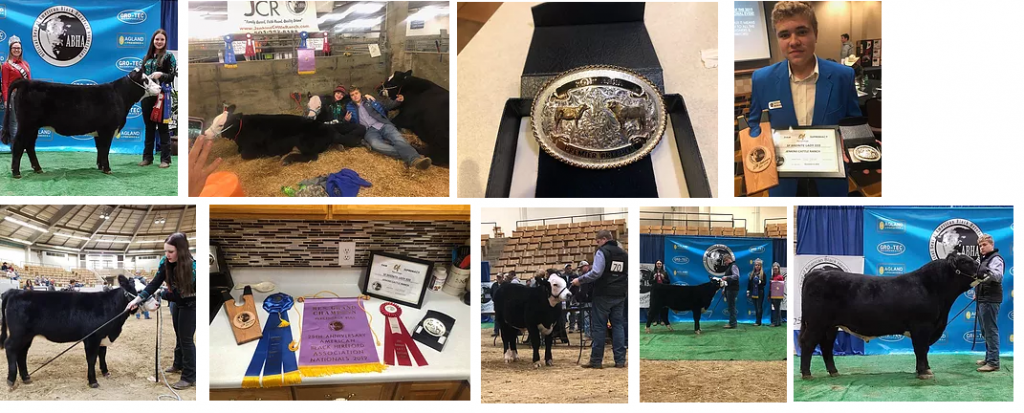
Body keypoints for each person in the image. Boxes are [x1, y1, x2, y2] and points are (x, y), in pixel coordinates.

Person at [747, 1, 862, 197]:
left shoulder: (843, 76)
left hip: (830, 181)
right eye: (784, 35)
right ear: (778, 39)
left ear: (815, 34)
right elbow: (754, 125)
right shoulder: (762, 79)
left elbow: (853, 123)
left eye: (801, 32)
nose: (793, 41)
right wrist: (761, 144)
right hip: (783, 181)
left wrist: (861, 144)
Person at [126, 233, 196, 389]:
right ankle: (178, 364)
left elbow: (181, 294)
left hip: (191, 304)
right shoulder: (165, 262)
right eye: (165, 251)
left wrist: (162, 294)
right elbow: (154, 283)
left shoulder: (192, 268)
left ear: (181, 251)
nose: (167, 254)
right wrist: (137, 300)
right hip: (177, 303)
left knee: (186, 339)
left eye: (171, 251)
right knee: (179, 335)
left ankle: (190, 376)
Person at [572, 230, 627, 369]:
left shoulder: (602, 252)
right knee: (618, 326)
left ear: (604, 239)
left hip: (603, 293)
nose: (597, 244)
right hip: (620, 294)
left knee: (599, 327)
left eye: (598, 241)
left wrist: (580, 280)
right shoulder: (624, 254)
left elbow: (596, 272)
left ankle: (596, 360)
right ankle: (620, 360)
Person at [344, 87, 432, 169]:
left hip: (382, 124)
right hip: (369, 131)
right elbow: (350, 124)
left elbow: (386, 106)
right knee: (376, 145)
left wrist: (397, 101)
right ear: (350, 97)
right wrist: (346, 120)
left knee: (398, 139)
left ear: (360, 94)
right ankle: (412, 155)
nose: (355, 96)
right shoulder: (349, 107)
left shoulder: (369, 100)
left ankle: (415, 160)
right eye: (352, 95)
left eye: (356, 93)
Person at [138, 29, 177, 168]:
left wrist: (161, 75)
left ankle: (165, 159)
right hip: (147, 96)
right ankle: (147, 157)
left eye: (162, 39)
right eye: (157, 39)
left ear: (165, 41)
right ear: (153, 40)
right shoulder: (146, 57)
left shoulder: (169, 56)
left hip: (162, 96)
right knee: (149, 128)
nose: (159, 42)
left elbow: (172, 76)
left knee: (163, 128)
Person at [975, 234, 1004, 373]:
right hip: (982, 298)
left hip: (990, 299)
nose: (982, 247)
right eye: (980, 245)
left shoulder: (996, 258)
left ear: (992, 244)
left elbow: (997, 276)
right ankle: (989, 358)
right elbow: (981, 279)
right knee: (985, 330)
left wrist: (986, 271)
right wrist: (976, 291)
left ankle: (993, 362)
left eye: (984, 244)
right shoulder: (985, 259)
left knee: (990, 330)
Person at [2, 36, 31, 140]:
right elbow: (5, 83)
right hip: (13, 95)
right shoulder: (6, 65)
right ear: (10, 49)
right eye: (14, 48)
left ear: (21, 50)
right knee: (14, 121)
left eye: (18, 48)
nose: (16, 50)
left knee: (25, 120)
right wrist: (6, 99)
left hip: (25, 95)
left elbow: (29, 81)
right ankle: (15, 145)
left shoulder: (25, 64)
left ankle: (24, 143)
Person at [721, 254, 741, 329]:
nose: (725, 263)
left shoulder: (733, 266)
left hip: (733, 289)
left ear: (728, 259)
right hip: (728, 289)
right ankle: (732, 322)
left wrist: (727, 277)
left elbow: (736, 276)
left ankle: (733, 323)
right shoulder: (729, 267)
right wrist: (724, 289)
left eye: (725, 261)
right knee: (730, 306)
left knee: (731, 306)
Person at [746, 259, 767, 326]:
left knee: (759, 306)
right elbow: (749, 283)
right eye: (756, 265)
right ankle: (756, 320)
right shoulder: (752, 274)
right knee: (755, 307)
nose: (757, 266)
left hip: (760, 292)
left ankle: (759, 321)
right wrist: (748, 290)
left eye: (758, 265)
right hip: (753, 292)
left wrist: (759, 282)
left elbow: (764, 283)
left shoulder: (763, 274)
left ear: (760, 266)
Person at [652, 260, 670, 326]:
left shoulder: (665, 272)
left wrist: (663, 278)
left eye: (660, 264)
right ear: (655, 264)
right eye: (657, 263)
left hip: (663, 291)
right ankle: (655, 320)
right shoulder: (653, 272)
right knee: (655, 306)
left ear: (662, 265)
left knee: (664, 306)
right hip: (655, 291)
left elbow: (668, 282)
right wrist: (654, 278)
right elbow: (650, 282)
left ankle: (663, 320)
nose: (659, 265)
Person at [770, 262, 785, 327]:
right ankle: (778, 322)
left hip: (778, 295)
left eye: (776, 269)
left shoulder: (780, 277)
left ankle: (776, 322)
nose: (775, 270)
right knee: (776, 309)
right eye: (774, 269)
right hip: (773, 294)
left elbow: (781, 285)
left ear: (778, 269)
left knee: (777, 309)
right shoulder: (772, 277)